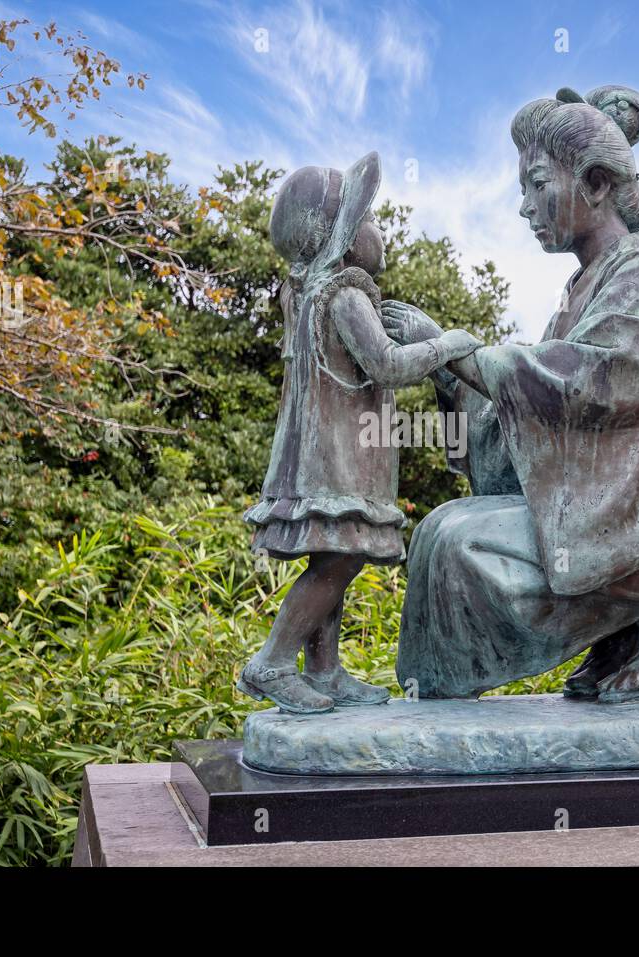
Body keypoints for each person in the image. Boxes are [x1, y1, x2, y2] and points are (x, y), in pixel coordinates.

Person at [381, 86, 639, 703]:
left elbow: (590, 385)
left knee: (456, 544)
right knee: (448, 531)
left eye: (537, 185)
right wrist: (449, 371)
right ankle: (636, 632)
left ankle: (440, 712)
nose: (526, 207)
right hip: (631, 505)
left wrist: (458, 351)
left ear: (599, 184)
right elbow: (536, 409)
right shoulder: (581, 294)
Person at [240, 151, 482, 714]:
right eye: (366, 219)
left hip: (320, 454)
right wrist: (447, 343)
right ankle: (272, 662)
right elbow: (389, 365)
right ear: (340, 233)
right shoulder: (344, 294)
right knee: (339, 561)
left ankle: (324, 671)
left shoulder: (303, 292)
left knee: (333, 558)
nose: (376, 230)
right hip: (340, 459)